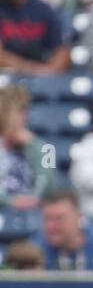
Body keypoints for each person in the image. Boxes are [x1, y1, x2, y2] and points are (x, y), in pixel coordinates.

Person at [36, 190, 93, 270]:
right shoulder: (36, 250)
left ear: (78, 217)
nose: (51, 225)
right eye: (47, 219)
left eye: (59, 218)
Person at [0, 83, 56, 211]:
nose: (26, 116)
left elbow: (52, 187)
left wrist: (34, 146)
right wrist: (9, 201)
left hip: (34, 215)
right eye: (20, 111)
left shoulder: (46, 148)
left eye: (26, 111)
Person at [0, 0, 69, 75]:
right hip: (6, 75)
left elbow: (62, 51)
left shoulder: (43, 9)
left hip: (39, 74)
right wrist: (31, 69)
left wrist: (50, 71)